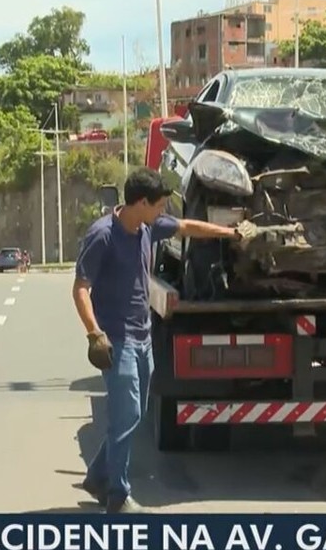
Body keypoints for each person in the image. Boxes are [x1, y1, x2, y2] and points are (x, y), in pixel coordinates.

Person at [71, 167, 252, 513]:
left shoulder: (148, 226)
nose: (163, 213)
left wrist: (229, 233)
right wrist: (94, 333)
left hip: (142, 337)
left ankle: (97, 476)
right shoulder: (103, 235)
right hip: (116, 341)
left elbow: (187, 227)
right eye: (159, 206)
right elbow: (81, 288)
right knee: (127, 416)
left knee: (132, 417)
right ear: (140, 202)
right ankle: (118, 496)